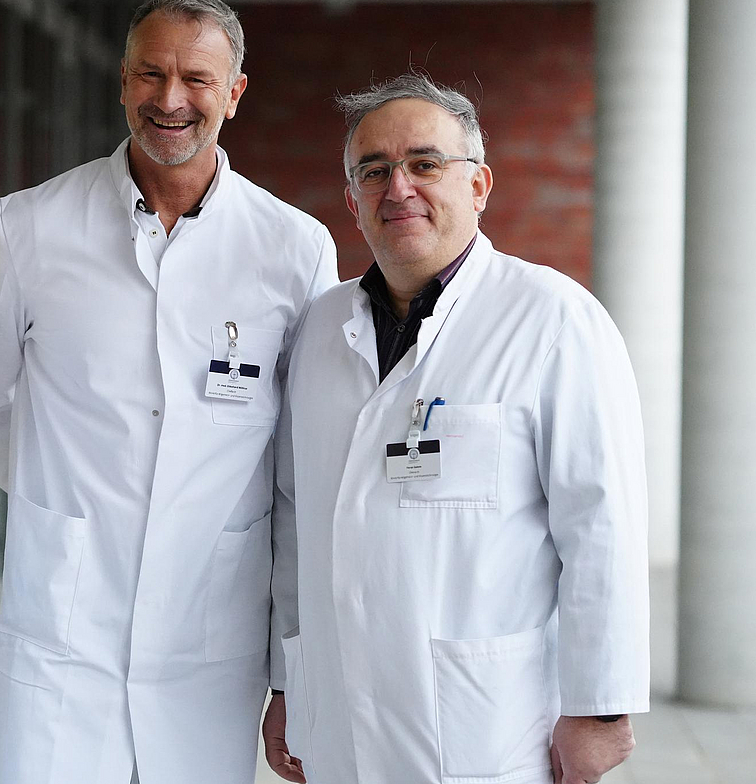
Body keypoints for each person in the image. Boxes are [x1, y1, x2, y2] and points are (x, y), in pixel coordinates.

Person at [0, 0, 337, 784]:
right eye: (150, 74)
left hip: (212, 636)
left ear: (234, 95)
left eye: (197, 79)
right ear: (121, 81)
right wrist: (58, 490)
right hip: (64, 629)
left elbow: (305, 470)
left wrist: (294, 670)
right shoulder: (28, 229)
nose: (171, 99)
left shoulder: (294, 251)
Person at [265, 72, 648, 784]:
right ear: (352, 201)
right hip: (339, 717)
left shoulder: (554, 319)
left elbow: (604, 524)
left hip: (485, 724)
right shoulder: (320, 327)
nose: (398, 187)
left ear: (479, 185)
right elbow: (295, 519)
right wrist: (290, 681)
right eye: (373, 170)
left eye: (425, 163)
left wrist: (599, 708)